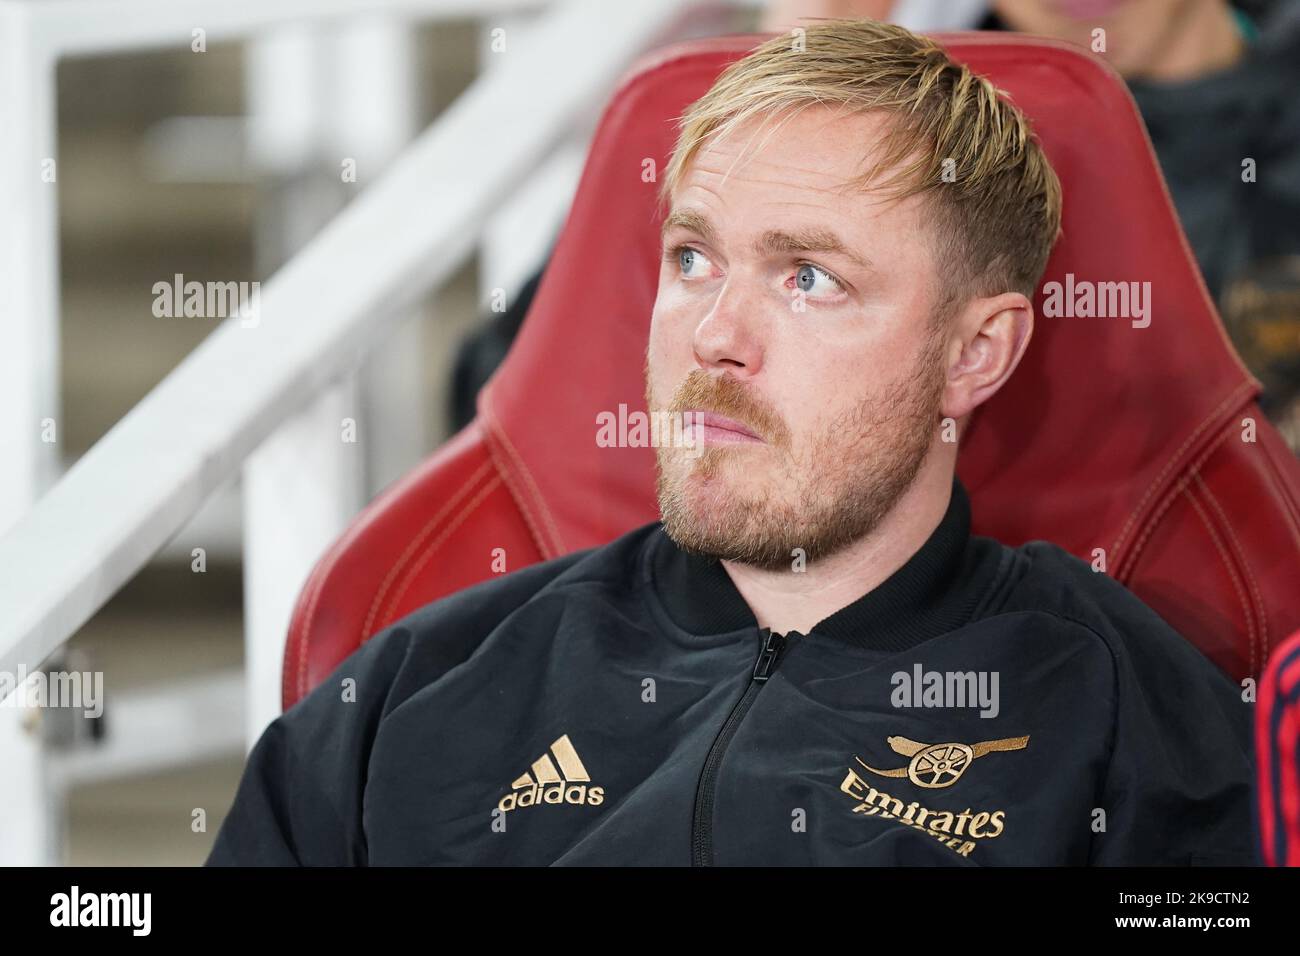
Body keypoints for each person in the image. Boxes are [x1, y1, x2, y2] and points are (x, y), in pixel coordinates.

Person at [208, 18, 1254, 866]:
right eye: (693, 258)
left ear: (975, 352)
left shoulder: (1116, 712)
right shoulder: (414, 690)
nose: (715, 336)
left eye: (808, 276)